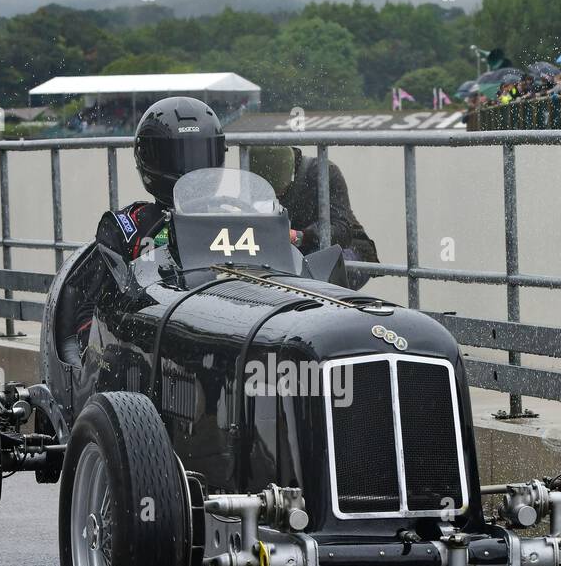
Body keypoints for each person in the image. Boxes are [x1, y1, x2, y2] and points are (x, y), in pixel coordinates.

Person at [42, 96, 225, 397]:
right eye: (182, 157)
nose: (192, 168)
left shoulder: (236, 219)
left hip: (213, 335)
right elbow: (87, 310)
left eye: (201, 155)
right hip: (142, 358)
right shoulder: (127, 227)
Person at [248, 145, 379, 267]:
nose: (278, 198)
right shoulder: (253, 181)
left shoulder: (323, 173)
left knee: (322, 267)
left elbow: (342, 230)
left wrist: (300, 235)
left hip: (348, 248)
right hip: (292, 254)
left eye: (280, 193)